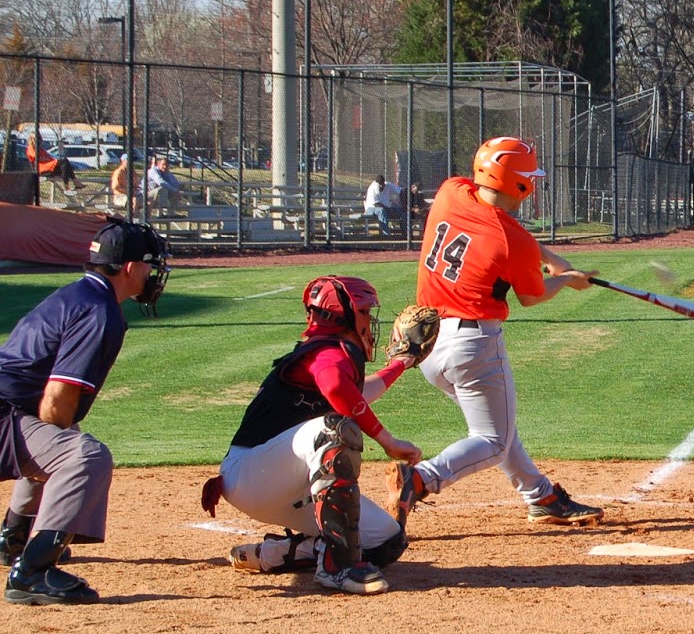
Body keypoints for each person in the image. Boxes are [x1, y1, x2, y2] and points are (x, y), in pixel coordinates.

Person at [386, 137, 601, 532]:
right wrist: (568, 280)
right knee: (492, 441)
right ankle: (420, 479)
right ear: (519, 184)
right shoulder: (511, 240)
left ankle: (541, 497)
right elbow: (533, 296)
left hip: (426, 344)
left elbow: (502, 231)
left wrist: (551, 259)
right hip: (473, 347)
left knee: (497, 427)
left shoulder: (451, 192)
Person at [202, 276, 423, 596]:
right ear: (343, 313)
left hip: (283, 481)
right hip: (252, 474)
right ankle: (337, 566)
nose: (369, 320)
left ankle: (275, 555)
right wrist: (387, 441)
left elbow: (355, 393)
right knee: (332, 429)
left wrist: (401, 363)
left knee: (385, 540)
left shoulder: (328, 351)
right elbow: (336, 387)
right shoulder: (329, 351)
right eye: (363, 311)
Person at [0, 219, 170, 605]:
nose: (152, 273)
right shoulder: (100, 311)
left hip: (8, 411)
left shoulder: (76, 294)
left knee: (64, 437)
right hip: (4, 416)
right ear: (128, 267)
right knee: (84, 455)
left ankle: (13, 537)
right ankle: (33, 571)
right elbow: (56, 399)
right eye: (148, 264)